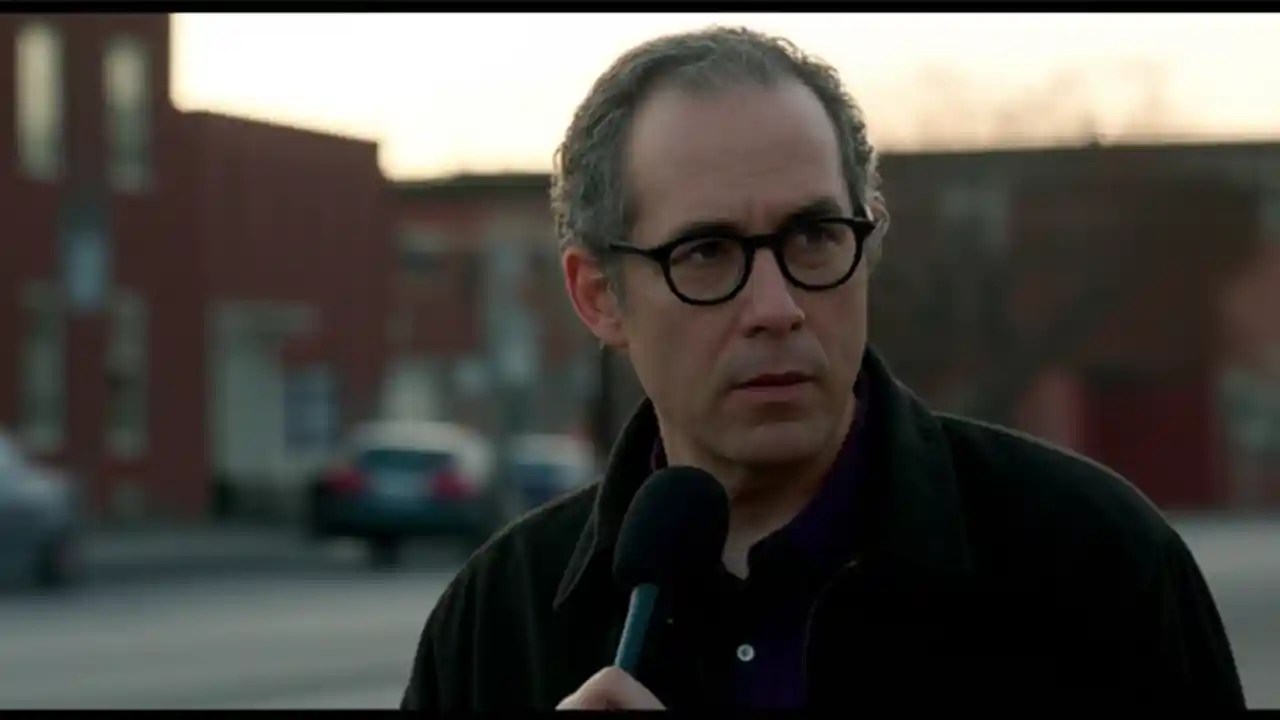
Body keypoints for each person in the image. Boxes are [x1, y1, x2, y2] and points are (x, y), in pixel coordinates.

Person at [400, 26, 1245, 710]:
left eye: (812, 238)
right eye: (706, 251)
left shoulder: (1094, 566)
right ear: (599, 297)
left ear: (867, 240)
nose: (775, 305)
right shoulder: (495, 626)